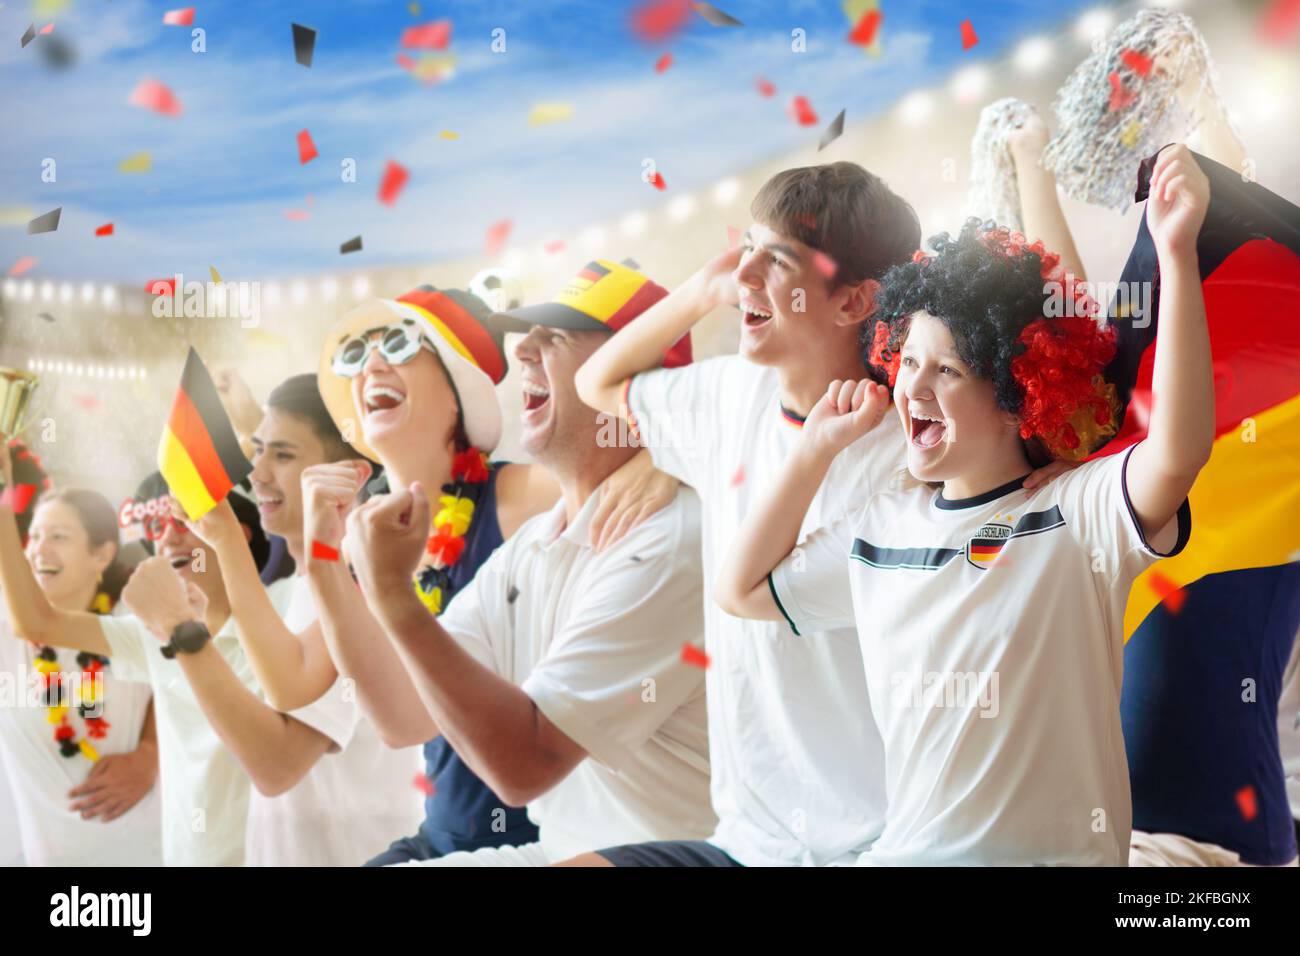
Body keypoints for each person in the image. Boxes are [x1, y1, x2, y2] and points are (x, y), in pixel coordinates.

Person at [714, 144, 1212, 865]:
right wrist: (811, 451)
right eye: (907, 359)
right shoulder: (881, 527)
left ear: (1020, 395)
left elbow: (1178, 452)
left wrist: (1176, 252)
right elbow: (741, 591)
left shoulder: (1076, 514)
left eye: (947, 368)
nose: (912, 387)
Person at [569, 162, 921, 866]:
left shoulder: (905, 457)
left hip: (871, 844)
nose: (743, 273)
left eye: (776, 258)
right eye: (746, 247)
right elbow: (596, 382)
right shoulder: (729, 394)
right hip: (745, 842)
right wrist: (698, 291)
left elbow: (750, 594)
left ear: (854, 303)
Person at [346, 261, 715, 866]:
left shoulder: (669, 538)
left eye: (560, 337)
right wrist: (335, 558)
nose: (526, 351)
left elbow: (524, 765)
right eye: (529, 336)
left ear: (632, 382)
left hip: (671, 856)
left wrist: (393, 595)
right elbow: (401, 714)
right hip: (559, 850)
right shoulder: (536, 543)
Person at [121, 374, 423, 866]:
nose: (255, 473)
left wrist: (180, 628)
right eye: (257, 451)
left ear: (351, 475)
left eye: (282, 456)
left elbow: (276, 764)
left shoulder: (359, 582)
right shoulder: (298, 586)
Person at [2, 458, 282, 866]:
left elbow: (278, 766)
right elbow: (34, 620)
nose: (166, 539)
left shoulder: (276, 631)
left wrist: (147, 753)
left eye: (186, 523)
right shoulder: (145, 631)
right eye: (159, 528)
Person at [0, 459, 162, 866]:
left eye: (58, 536)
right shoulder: (7, 632)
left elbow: (179, 685)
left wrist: (150, 752)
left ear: (102, 554)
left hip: (144, 858)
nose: (39, 548)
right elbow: (30, 619)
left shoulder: (132, 624)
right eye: (33, 536)